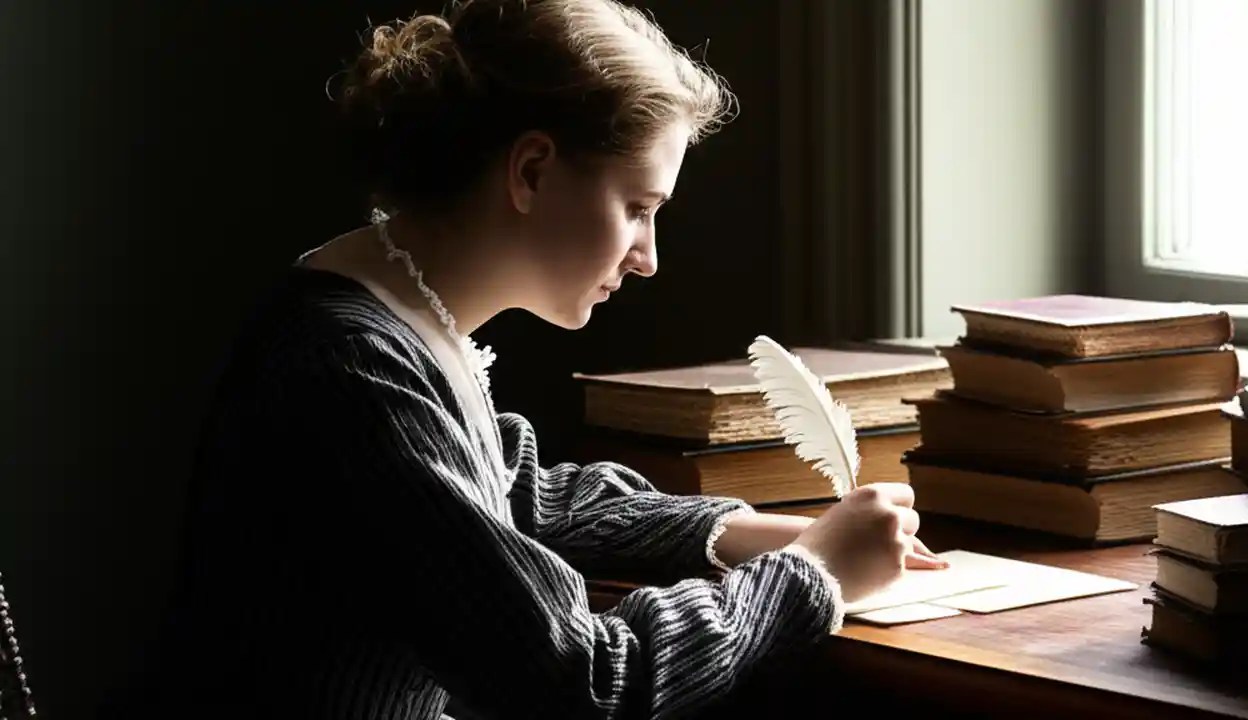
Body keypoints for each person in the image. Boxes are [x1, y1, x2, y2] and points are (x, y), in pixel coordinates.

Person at [137, 1, 946, 717]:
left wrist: (740, 530)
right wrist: (810, 574)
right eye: (638, 208)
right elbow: (583, 682)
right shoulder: (354, 367)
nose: (647, 257)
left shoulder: (394, 310)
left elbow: (521, 496)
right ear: (530, 171)